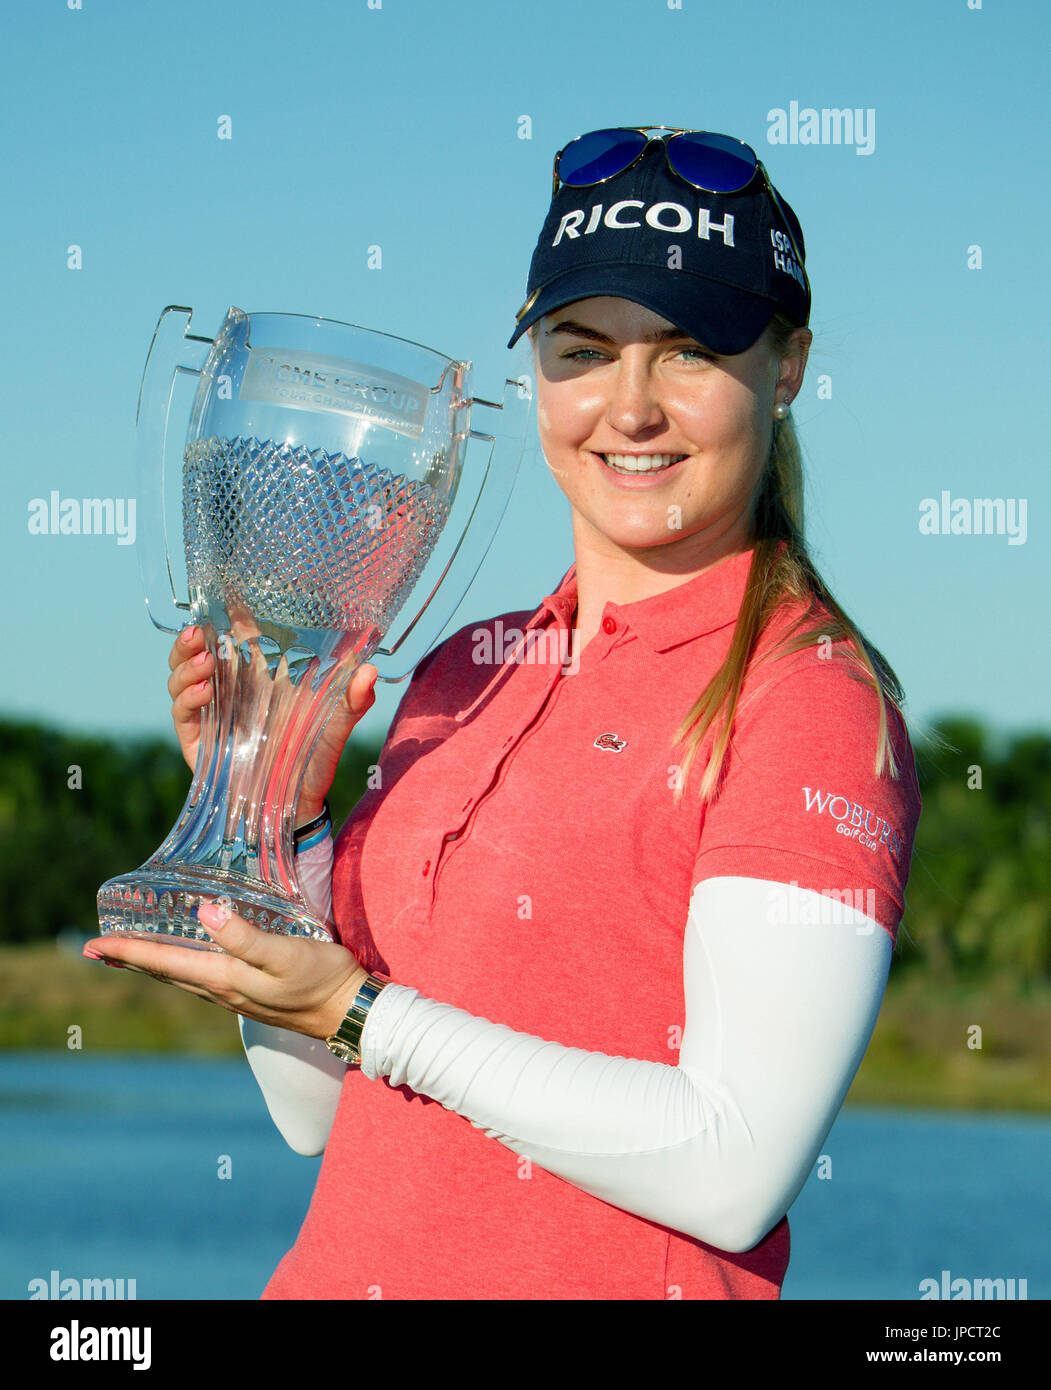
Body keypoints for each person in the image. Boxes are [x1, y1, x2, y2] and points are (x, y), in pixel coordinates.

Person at [85, 126, 922, 1301]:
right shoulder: (464, 672)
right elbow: (314, 1113)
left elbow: (734, 1165)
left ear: (785, 369)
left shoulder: (807, 698)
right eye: (582, 351)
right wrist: (282, 816)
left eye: (687, 353)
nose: (628, 408)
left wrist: (361, 1010)